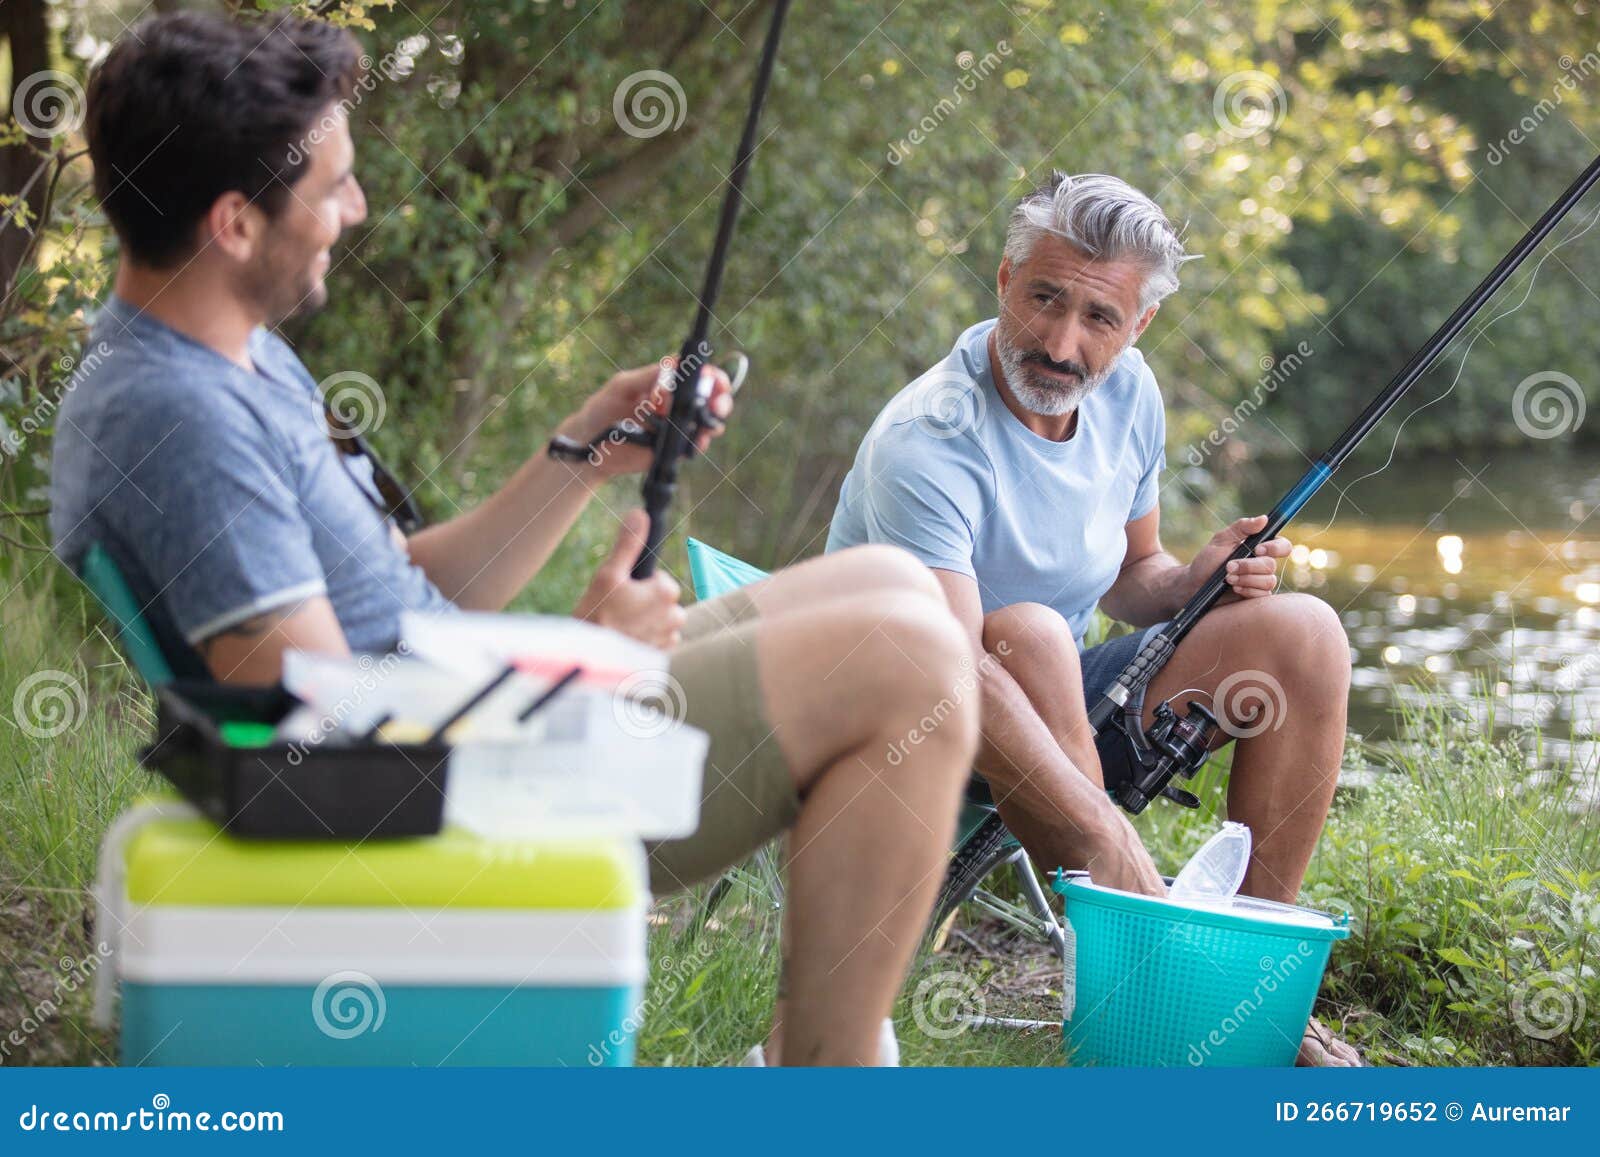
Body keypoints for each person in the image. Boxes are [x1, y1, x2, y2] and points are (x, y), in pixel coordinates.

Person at [52, 12, 977, 1067]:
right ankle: (825, 1084)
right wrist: (580, 660)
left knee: (896, 581)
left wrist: (582, 445)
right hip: (443, 792)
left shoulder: (226, 356)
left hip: (466, 724)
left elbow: (397, 596)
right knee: (910, 662)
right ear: (232, 223)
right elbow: (320, 720)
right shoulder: (180, 416)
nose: (353, 210)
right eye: (331, 189)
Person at [827, 171, 1360, 1065]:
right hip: (904, 726)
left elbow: (1135, 576)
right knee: (1030, 630)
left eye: (1099, 318)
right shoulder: (929, 439)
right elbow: (948, 673)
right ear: (1004, 280)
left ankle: (1256, 984)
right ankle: (1159, 953)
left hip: (1054, 707)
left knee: (1303, 635)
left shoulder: (1128, 393)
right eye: (1044, 298)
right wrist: (1113, 837)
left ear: (1138, 325)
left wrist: (1197, 575)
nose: (1061, 342)